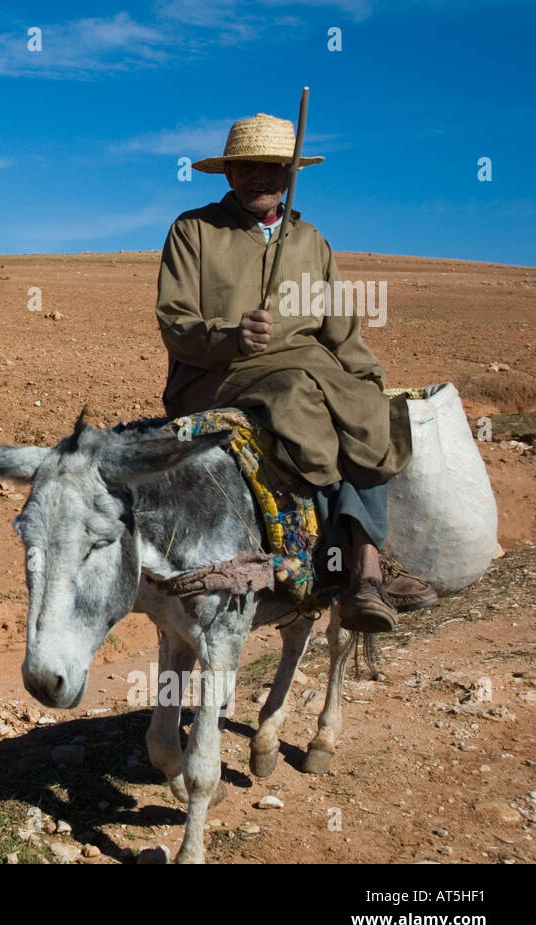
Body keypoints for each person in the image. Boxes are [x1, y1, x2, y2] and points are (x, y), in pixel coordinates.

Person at [155, 112, 435, 631]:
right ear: (229, 174)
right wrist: (229, 336)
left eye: (274, 166)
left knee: (366, 404)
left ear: (291, 173)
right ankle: (344, 566)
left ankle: (367, 565)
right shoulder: (193, 231)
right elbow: (175, 323)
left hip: (309, 368)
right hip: (214, 375)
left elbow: (341, 331)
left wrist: (366, 378)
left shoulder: (311, 242)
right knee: (299, 390)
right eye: (249, 167)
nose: (262, 176)